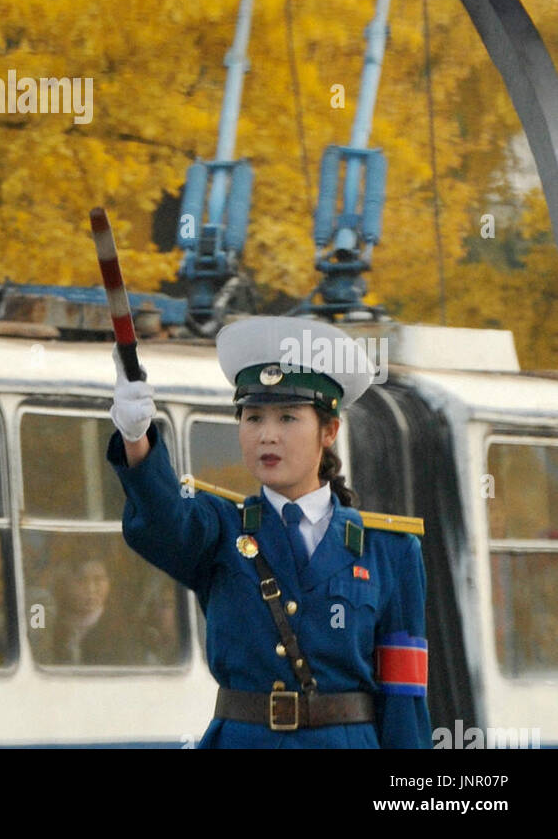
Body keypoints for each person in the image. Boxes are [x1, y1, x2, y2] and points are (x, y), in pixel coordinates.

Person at [107, 315, 432, 748]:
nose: (267, 436)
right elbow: (163, 522)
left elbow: (404, 699)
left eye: (287, 418)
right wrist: (137, 438)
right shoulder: (218, 529)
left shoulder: (390, 551)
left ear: (329, 431)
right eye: (253, 417)